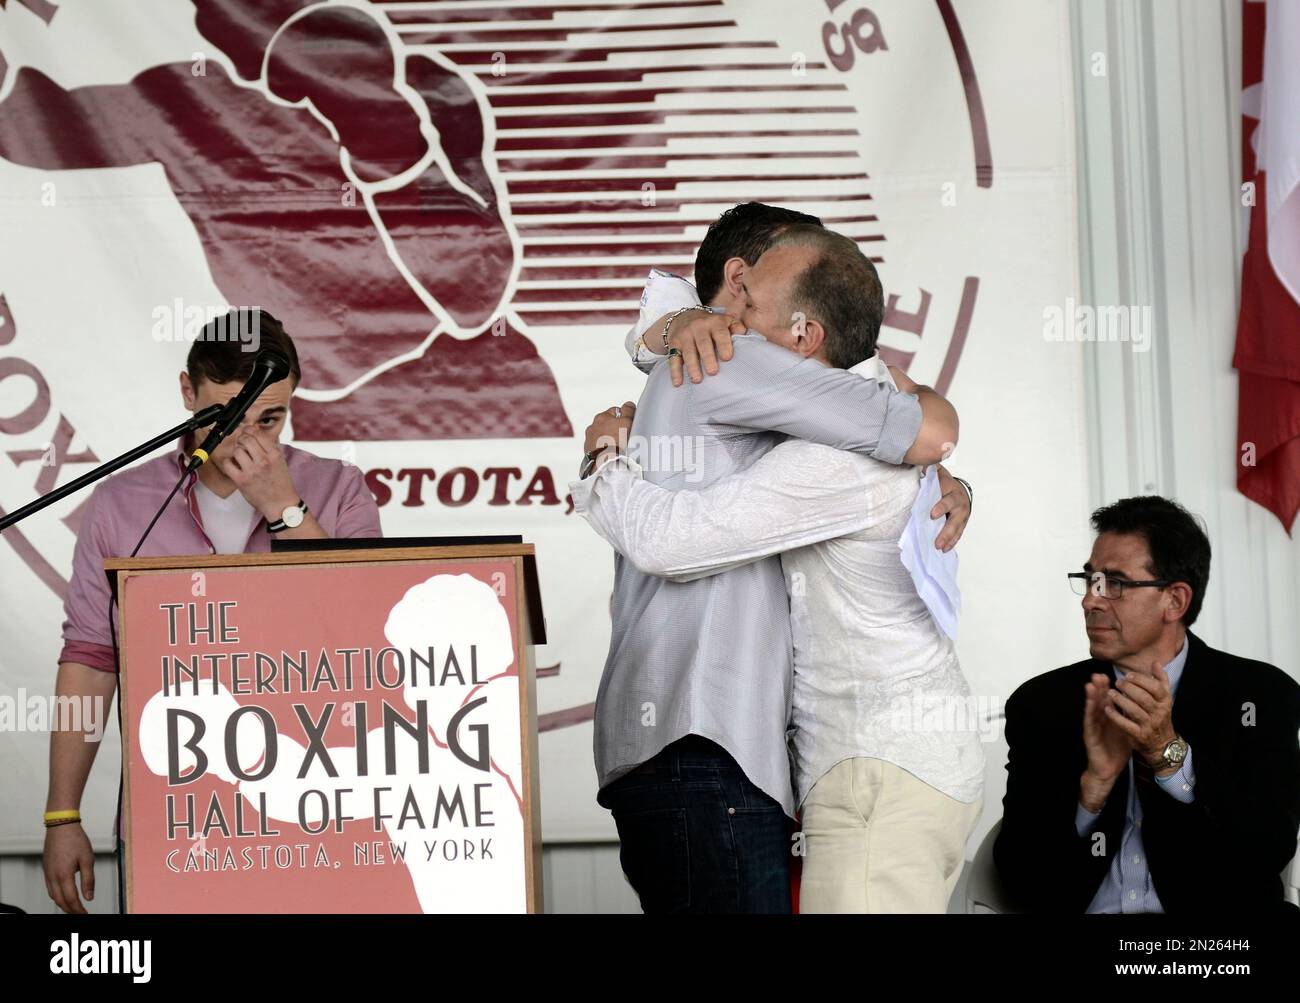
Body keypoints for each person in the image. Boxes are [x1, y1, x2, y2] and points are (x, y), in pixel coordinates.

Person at [569, 206, 968, 913]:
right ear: (738, 276)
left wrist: (606, 451)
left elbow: (894, 413)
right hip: (706, 743)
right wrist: (603, 465)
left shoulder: (694, 360)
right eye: (750, 292)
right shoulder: (729, 357)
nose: (743, 315)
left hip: (696, 747)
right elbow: (923, 427)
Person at [42, 308, 382, 914]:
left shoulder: (339, 489)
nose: (249, 440)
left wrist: (285, 509)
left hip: (319, 811)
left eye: (269, 419)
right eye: (227, 415)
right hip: (172, 819)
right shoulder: (121, 503)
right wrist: (62, 815)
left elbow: (365, 636)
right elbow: (91, 661)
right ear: (187, 392)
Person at [994, 495, 1300, 913]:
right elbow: (1017, 876)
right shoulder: (1041, 704)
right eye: (1090, 580)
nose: (1090, 600)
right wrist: (1091, 793)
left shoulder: (1260, 696)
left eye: (1115, 583)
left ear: (1175, 601)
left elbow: (1267, 851)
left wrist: (1169, 757)